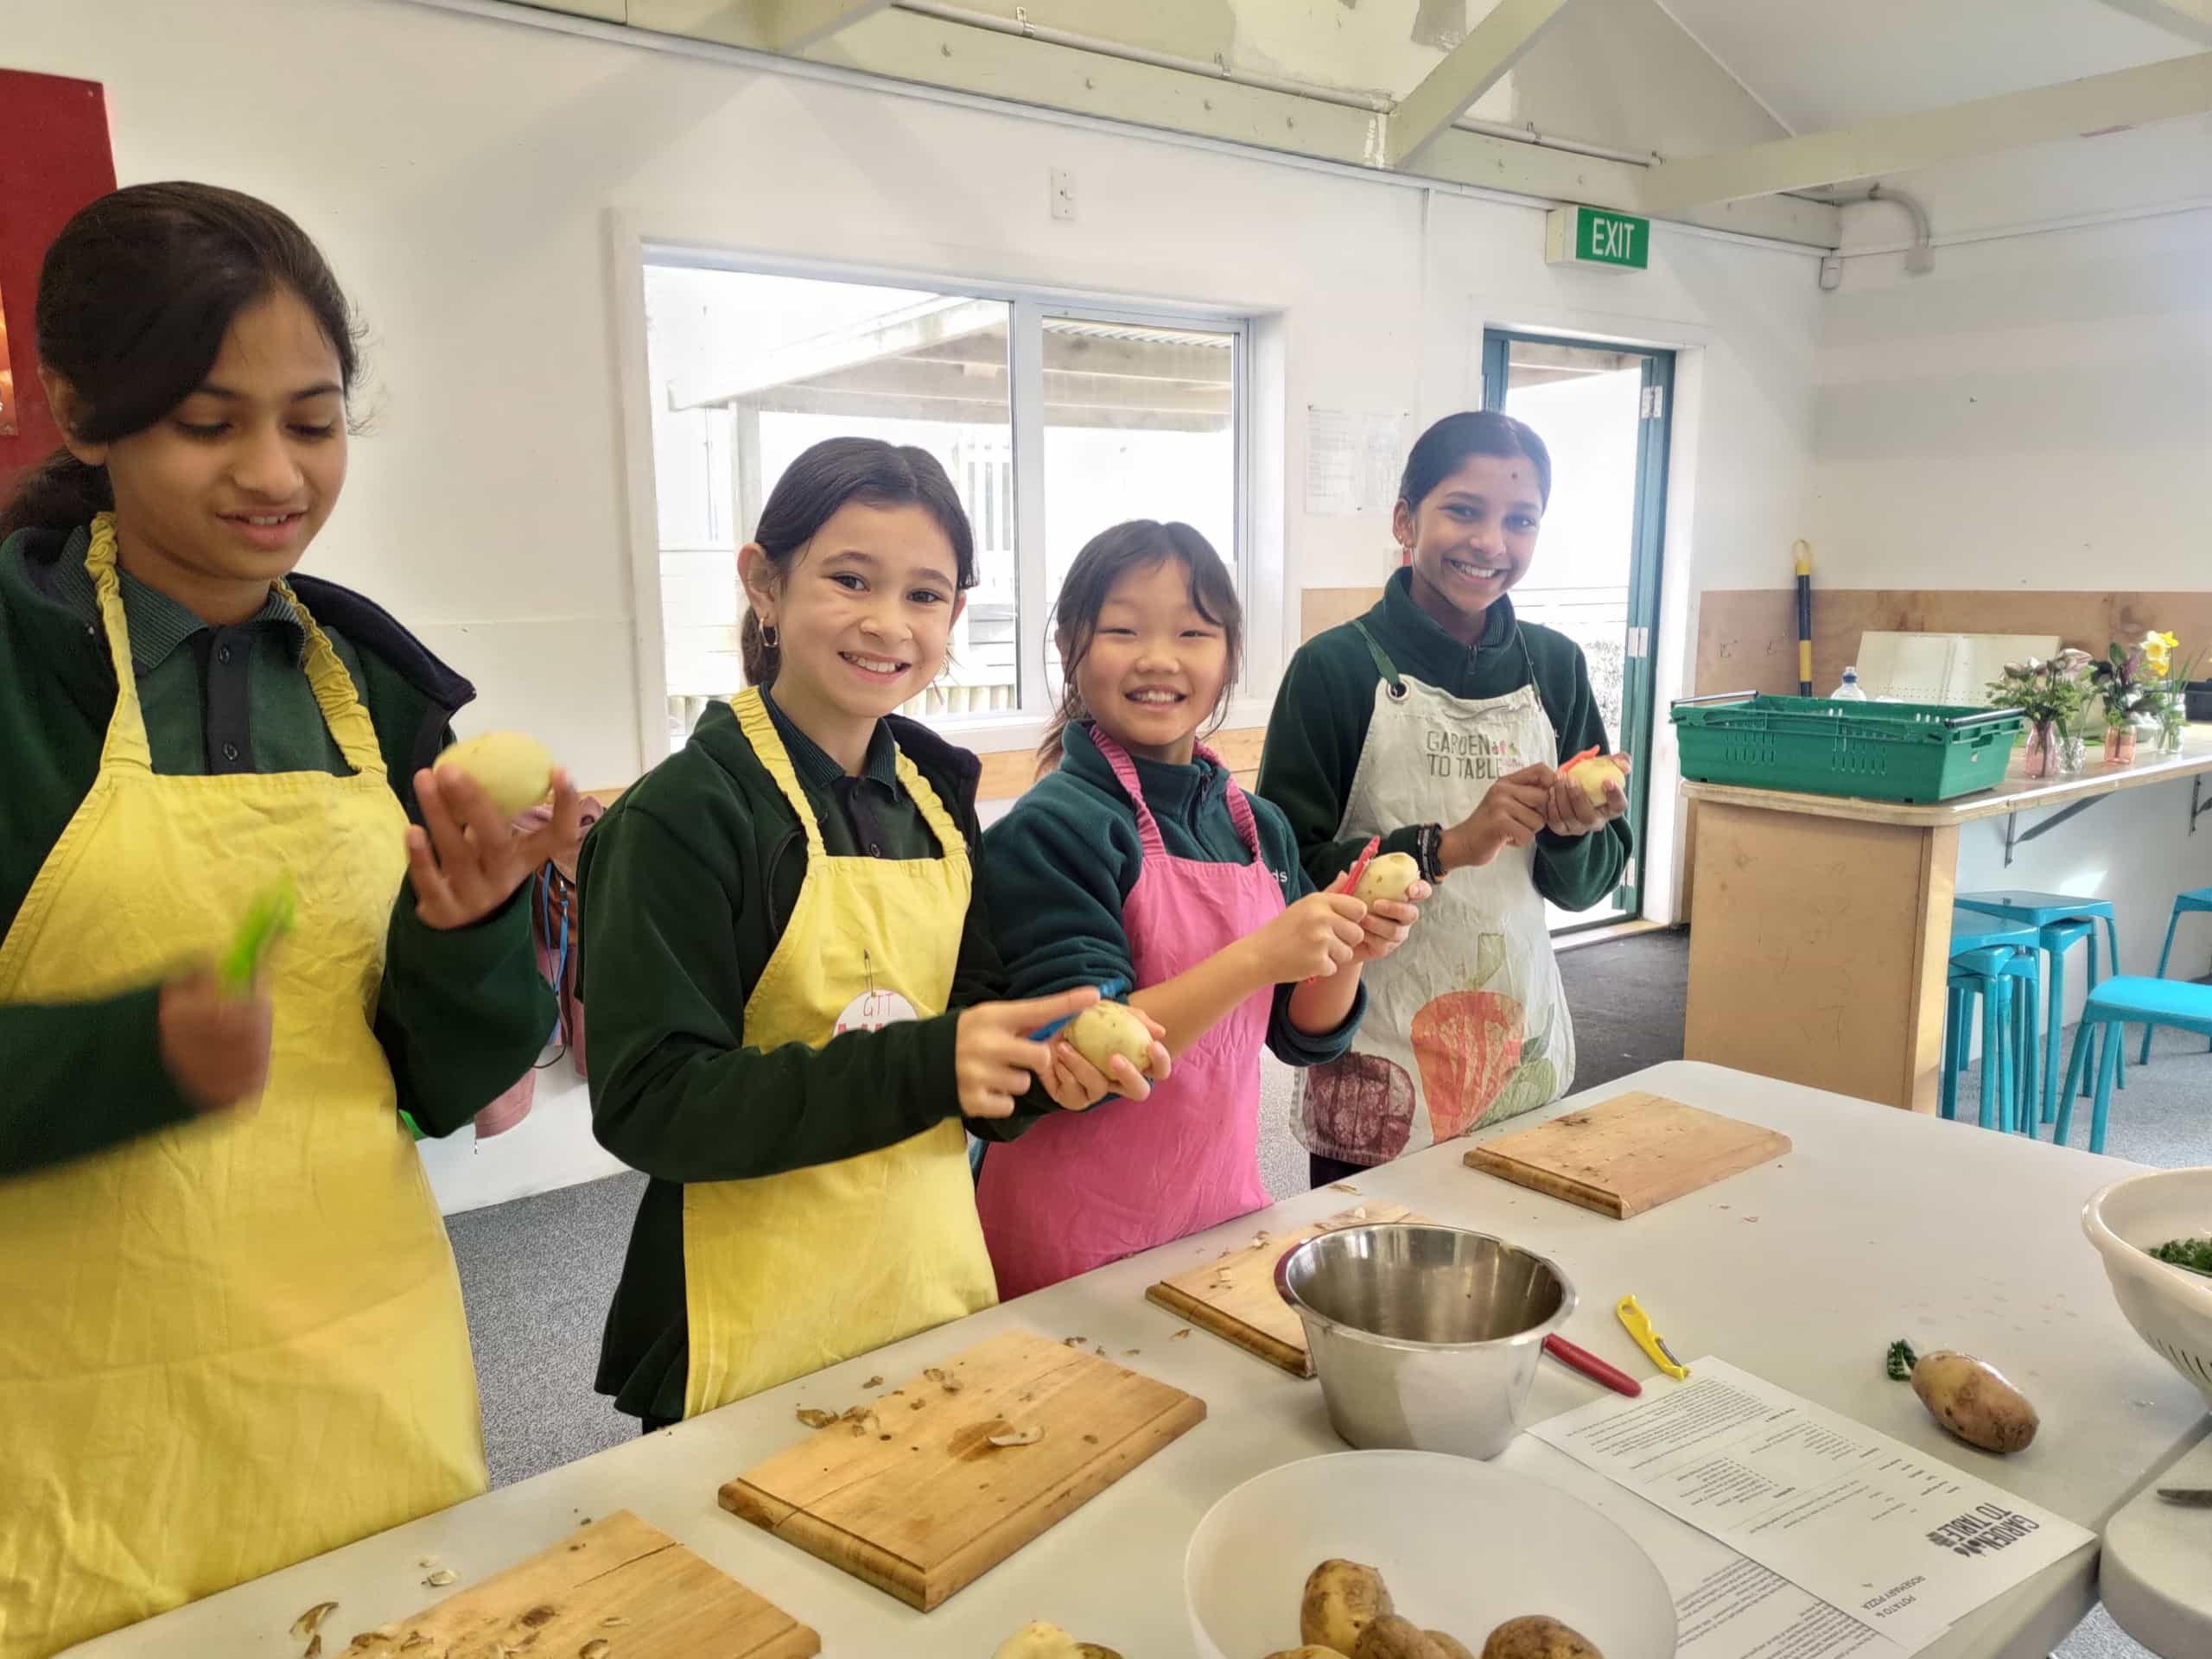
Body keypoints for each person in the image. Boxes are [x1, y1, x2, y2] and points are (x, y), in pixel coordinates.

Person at [0, 182, 578, 1657]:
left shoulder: (376, 689)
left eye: (313, 423)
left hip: (358, 1366)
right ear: (82, 411)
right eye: (209, 423)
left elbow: (445, 1086)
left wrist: (473, 934)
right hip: (74, 1416)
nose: (274, 474)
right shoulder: (17, 685)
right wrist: (133, 1057)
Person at [579, 437, 1134, 1429]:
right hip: (750, 1309)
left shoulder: (934, 799)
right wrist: (928, 1064)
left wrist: (1033, 1079)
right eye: (849, 579)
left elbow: (967, 1018)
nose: (888, 622)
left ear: (954, 615)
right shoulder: (684, 815)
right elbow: (650, 1103)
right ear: (765, 582)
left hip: (921, 1278)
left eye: (925, 595)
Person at [975, 520, 1423, 1297]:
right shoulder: (1056, 828)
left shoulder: (1256, 826)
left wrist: (1346, 947)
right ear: (1071, 648)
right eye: (1123, 630)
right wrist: (1260, 955)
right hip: (1071, 1239)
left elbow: (1299, 1036)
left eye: (1192, 632)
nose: (1159, 658)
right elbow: (1093, 1053)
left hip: (1215, 1212)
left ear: (1229, 657)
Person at [1256, 411, 1631, 1187]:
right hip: (1376, 1056)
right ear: (1405, 520)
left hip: (1520, 1042)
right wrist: (1445, 847)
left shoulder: (1556, 668)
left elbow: (1584, 888)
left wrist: (1573, 831)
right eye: (1463, 510)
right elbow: (1282, 876)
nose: (1491, 542)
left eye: (1520, 520)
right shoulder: (1332, 670)